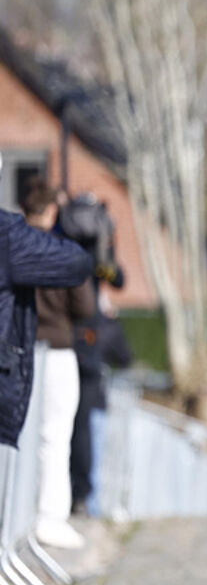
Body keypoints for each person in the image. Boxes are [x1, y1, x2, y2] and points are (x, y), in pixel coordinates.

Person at [19, 181, 96, 549]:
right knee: (55, 435)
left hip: (17, 348)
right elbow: (85, 309)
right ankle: (49, 518)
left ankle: (14, 515)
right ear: (52, 211)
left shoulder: (11, 244)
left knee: (15, 434)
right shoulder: (62, 251)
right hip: (57, 352)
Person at [0, 186, 94, 453]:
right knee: (53, 443)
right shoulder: (16, 240)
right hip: (52, 353)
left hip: (27, 355)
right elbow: (85, 303)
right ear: (52, 210)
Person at [70, 291, 133, 516]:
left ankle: (84, 503)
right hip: (94, 399)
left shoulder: (77, 322)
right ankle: (89, 506)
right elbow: (125, 357)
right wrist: (113, 322)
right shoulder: (106, 326)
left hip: (84, 397)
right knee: (92, 455)